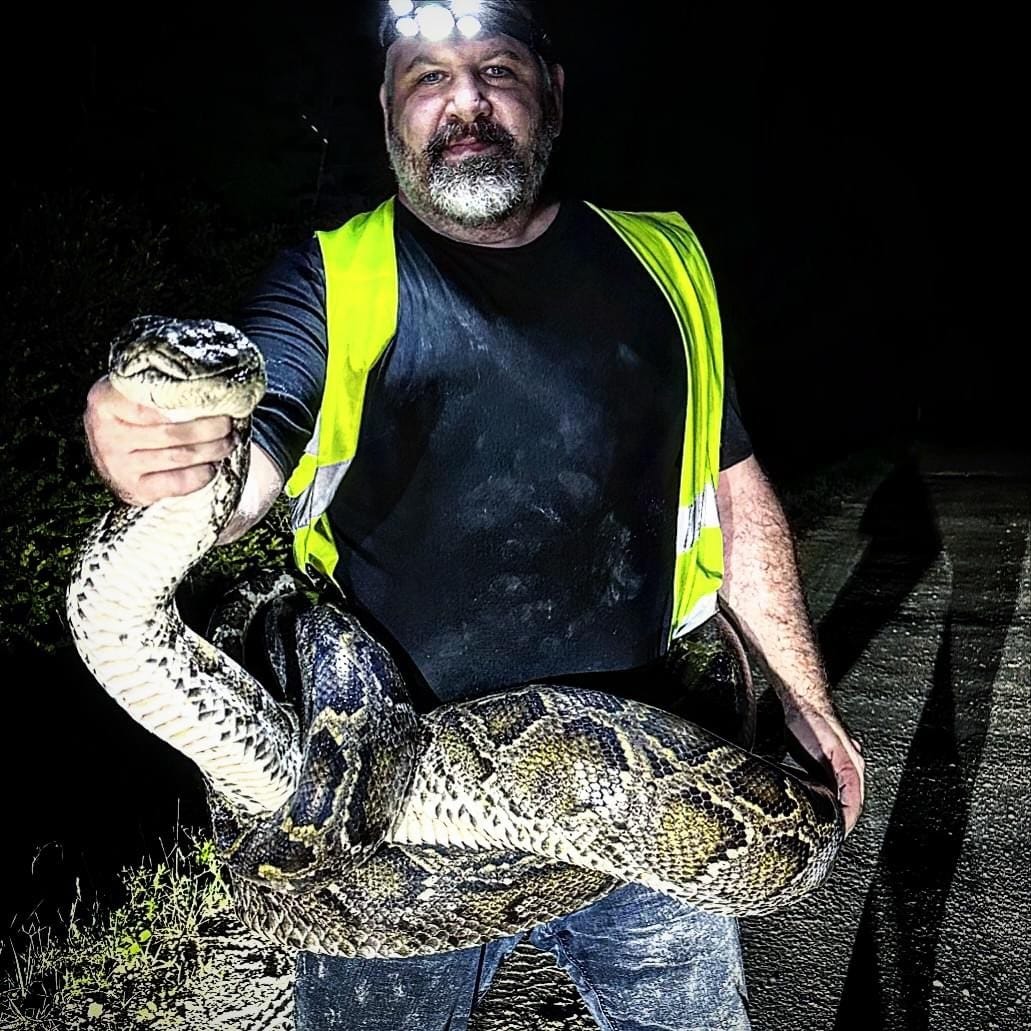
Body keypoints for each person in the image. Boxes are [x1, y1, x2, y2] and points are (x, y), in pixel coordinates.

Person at [83, 3, 865, 1028]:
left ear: (549, 87)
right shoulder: (334, 276)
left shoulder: (664, 260)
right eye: (425, 77)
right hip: (380, 824)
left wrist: (804, 699)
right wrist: (169, 447)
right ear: (386, 109)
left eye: (494, 66)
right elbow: (253, 443)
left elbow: (735, 489)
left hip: (650, 782)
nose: (464, 100)